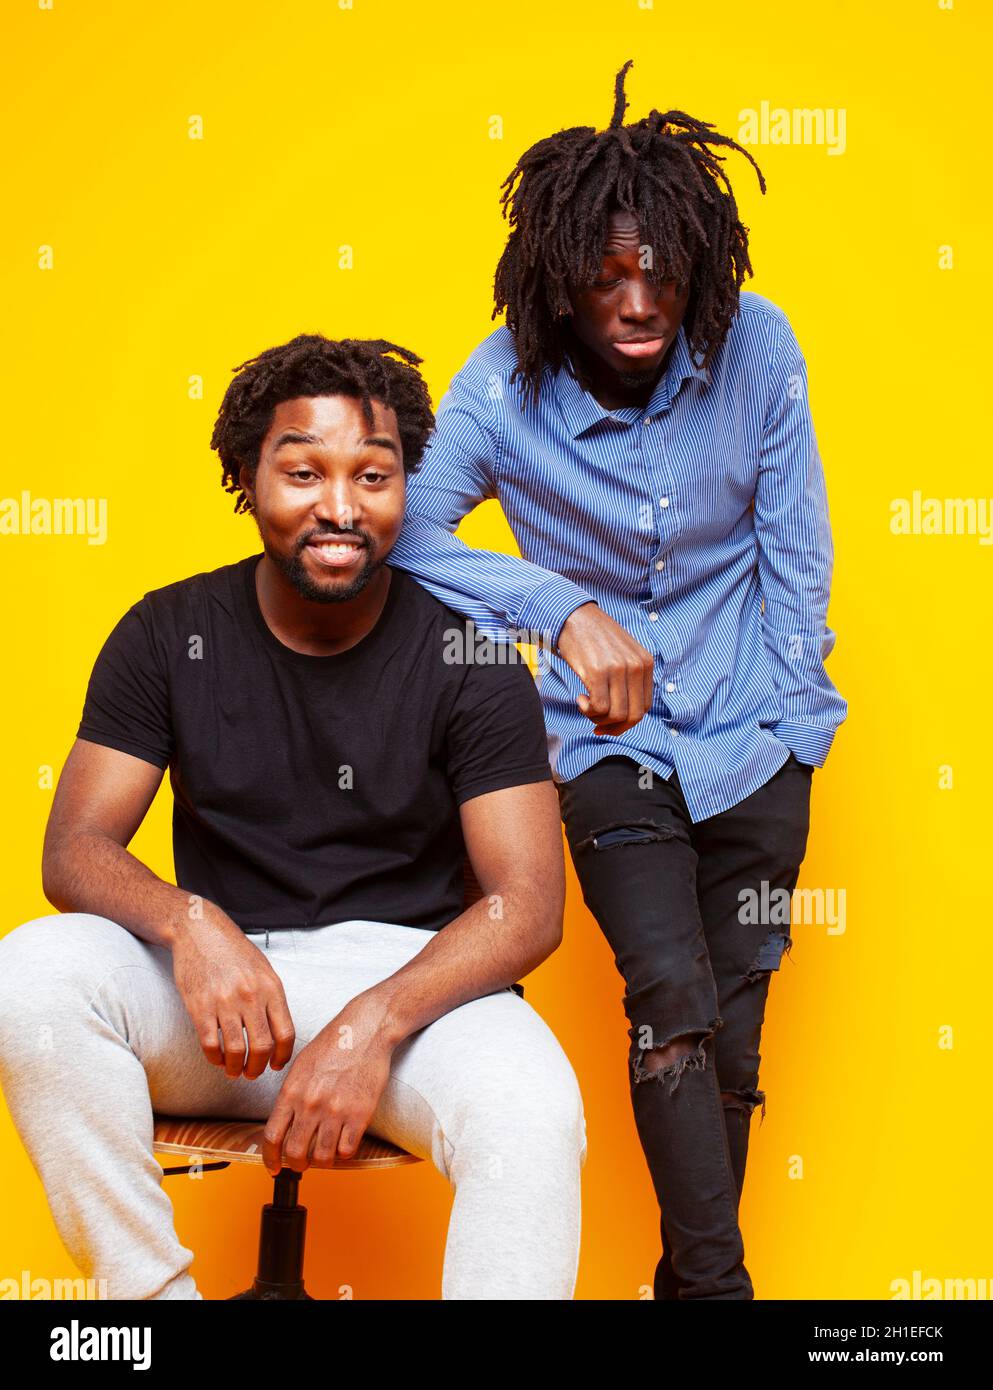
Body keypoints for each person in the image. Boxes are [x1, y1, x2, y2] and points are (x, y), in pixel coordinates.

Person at [386, 61, 848, 1299]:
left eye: (662, 270)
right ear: (559, 279)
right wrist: (563, 609)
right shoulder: (500, 383)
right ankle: (717, 1289)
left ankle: (681, 1277)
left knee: (735, 1044)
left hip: (758, 738)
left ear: (700, 261)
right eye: (607, 275)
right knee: (670, 992)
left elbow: (796, 546)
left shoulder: (758, 347)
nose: (638, 300)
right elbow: (408, 530)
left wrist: (798, 721)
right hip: (606, 753)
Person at [0, 334, 587, 1301]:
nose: (341, 507)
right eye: (304, 471)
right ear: (246, 475)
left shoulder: (474, 662)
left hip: (414, 995)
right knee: (34, 976)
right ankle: (148, 1308)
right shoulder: (166, 633)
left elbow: (526, 907)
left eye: (373, 474)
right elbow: (75, 850)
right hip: (222, 1001)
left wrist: (374, 1023)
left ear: (407, 486)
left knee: (532, 1107)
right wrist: (190, 923)